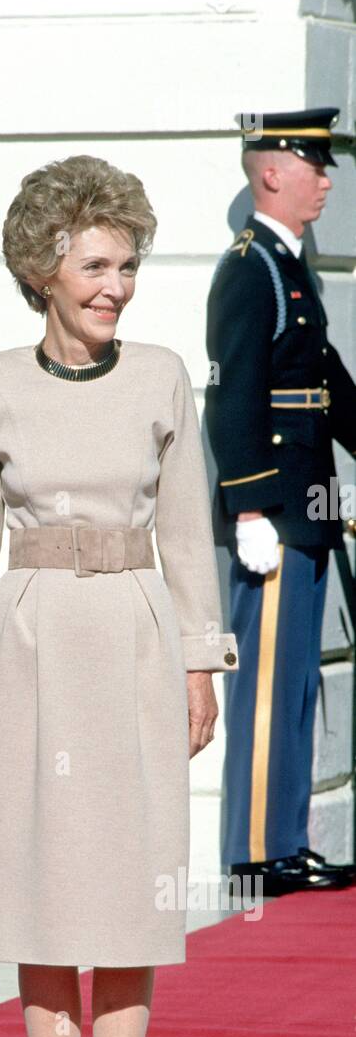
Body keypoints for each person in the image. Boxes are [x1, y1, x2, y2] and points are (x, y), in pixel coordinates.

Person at [0, 155, 239, 1037]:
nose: (116, 285)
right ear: (42, 268)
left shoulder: (157, 376)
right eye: (95, 264)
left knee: (123, 901)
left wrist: (202, 662)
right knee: (42, 899)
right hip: (29, 650)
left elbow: (188, 531)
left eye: (127, 264)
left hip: (136, 643)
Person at [204, 108, 356, 898]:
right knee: (265, 686)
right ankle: (258, 852)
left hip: (310, 506)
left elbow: (326, 383)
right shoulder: (250, 269)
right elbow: (232, 397)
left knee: (298, 682)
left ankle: (286, 842)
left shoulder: (292, 266)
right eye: (312, 164)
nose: (326, 178)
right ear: (270, 172)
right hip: (277, 512)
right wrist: (250, 509)